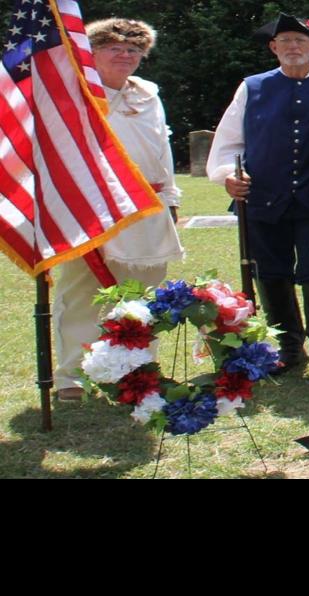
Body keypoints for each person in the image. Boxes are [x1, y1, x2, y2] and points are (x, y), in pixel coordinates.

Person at [209, 14, 309, 384]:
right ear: (273, 48)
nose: (293, 47)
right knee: (270, 274)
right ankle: (289, 347)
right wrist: (230, 174)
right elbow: (228, 142)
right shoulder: (251, 87)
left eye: (300, 41)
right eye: (285, 41)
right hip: (263, 198)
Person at [51, 18, 184, 403]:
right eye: (114, 48)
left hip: (146, 207)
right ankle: (72, 378)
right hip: (92, 208)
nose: (125, 56)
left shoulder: (148, 94)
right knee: (82, 294)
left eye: (133, 50)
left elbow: (162, 150)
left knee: (142, 297)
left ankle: (136, 373)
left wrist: (171, 199)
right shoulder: (73, 93)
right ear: (92, 53)